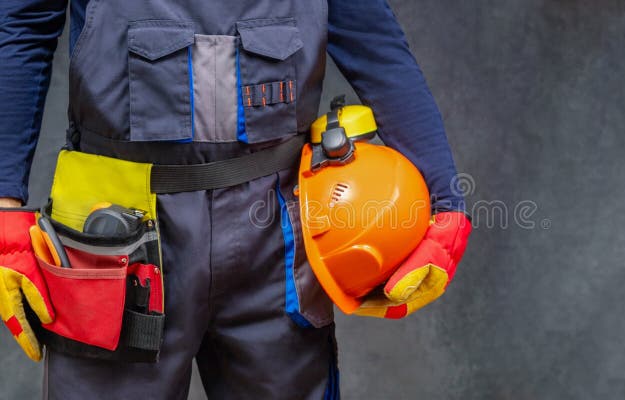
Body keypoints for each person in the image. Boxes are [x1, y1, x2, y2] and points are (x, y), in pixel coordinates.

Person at [0, 0, 471, 398]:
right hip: (111, 243)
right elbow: (22, 23)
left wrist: (446, 203)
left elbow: (375, 44)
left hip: (273, 238)